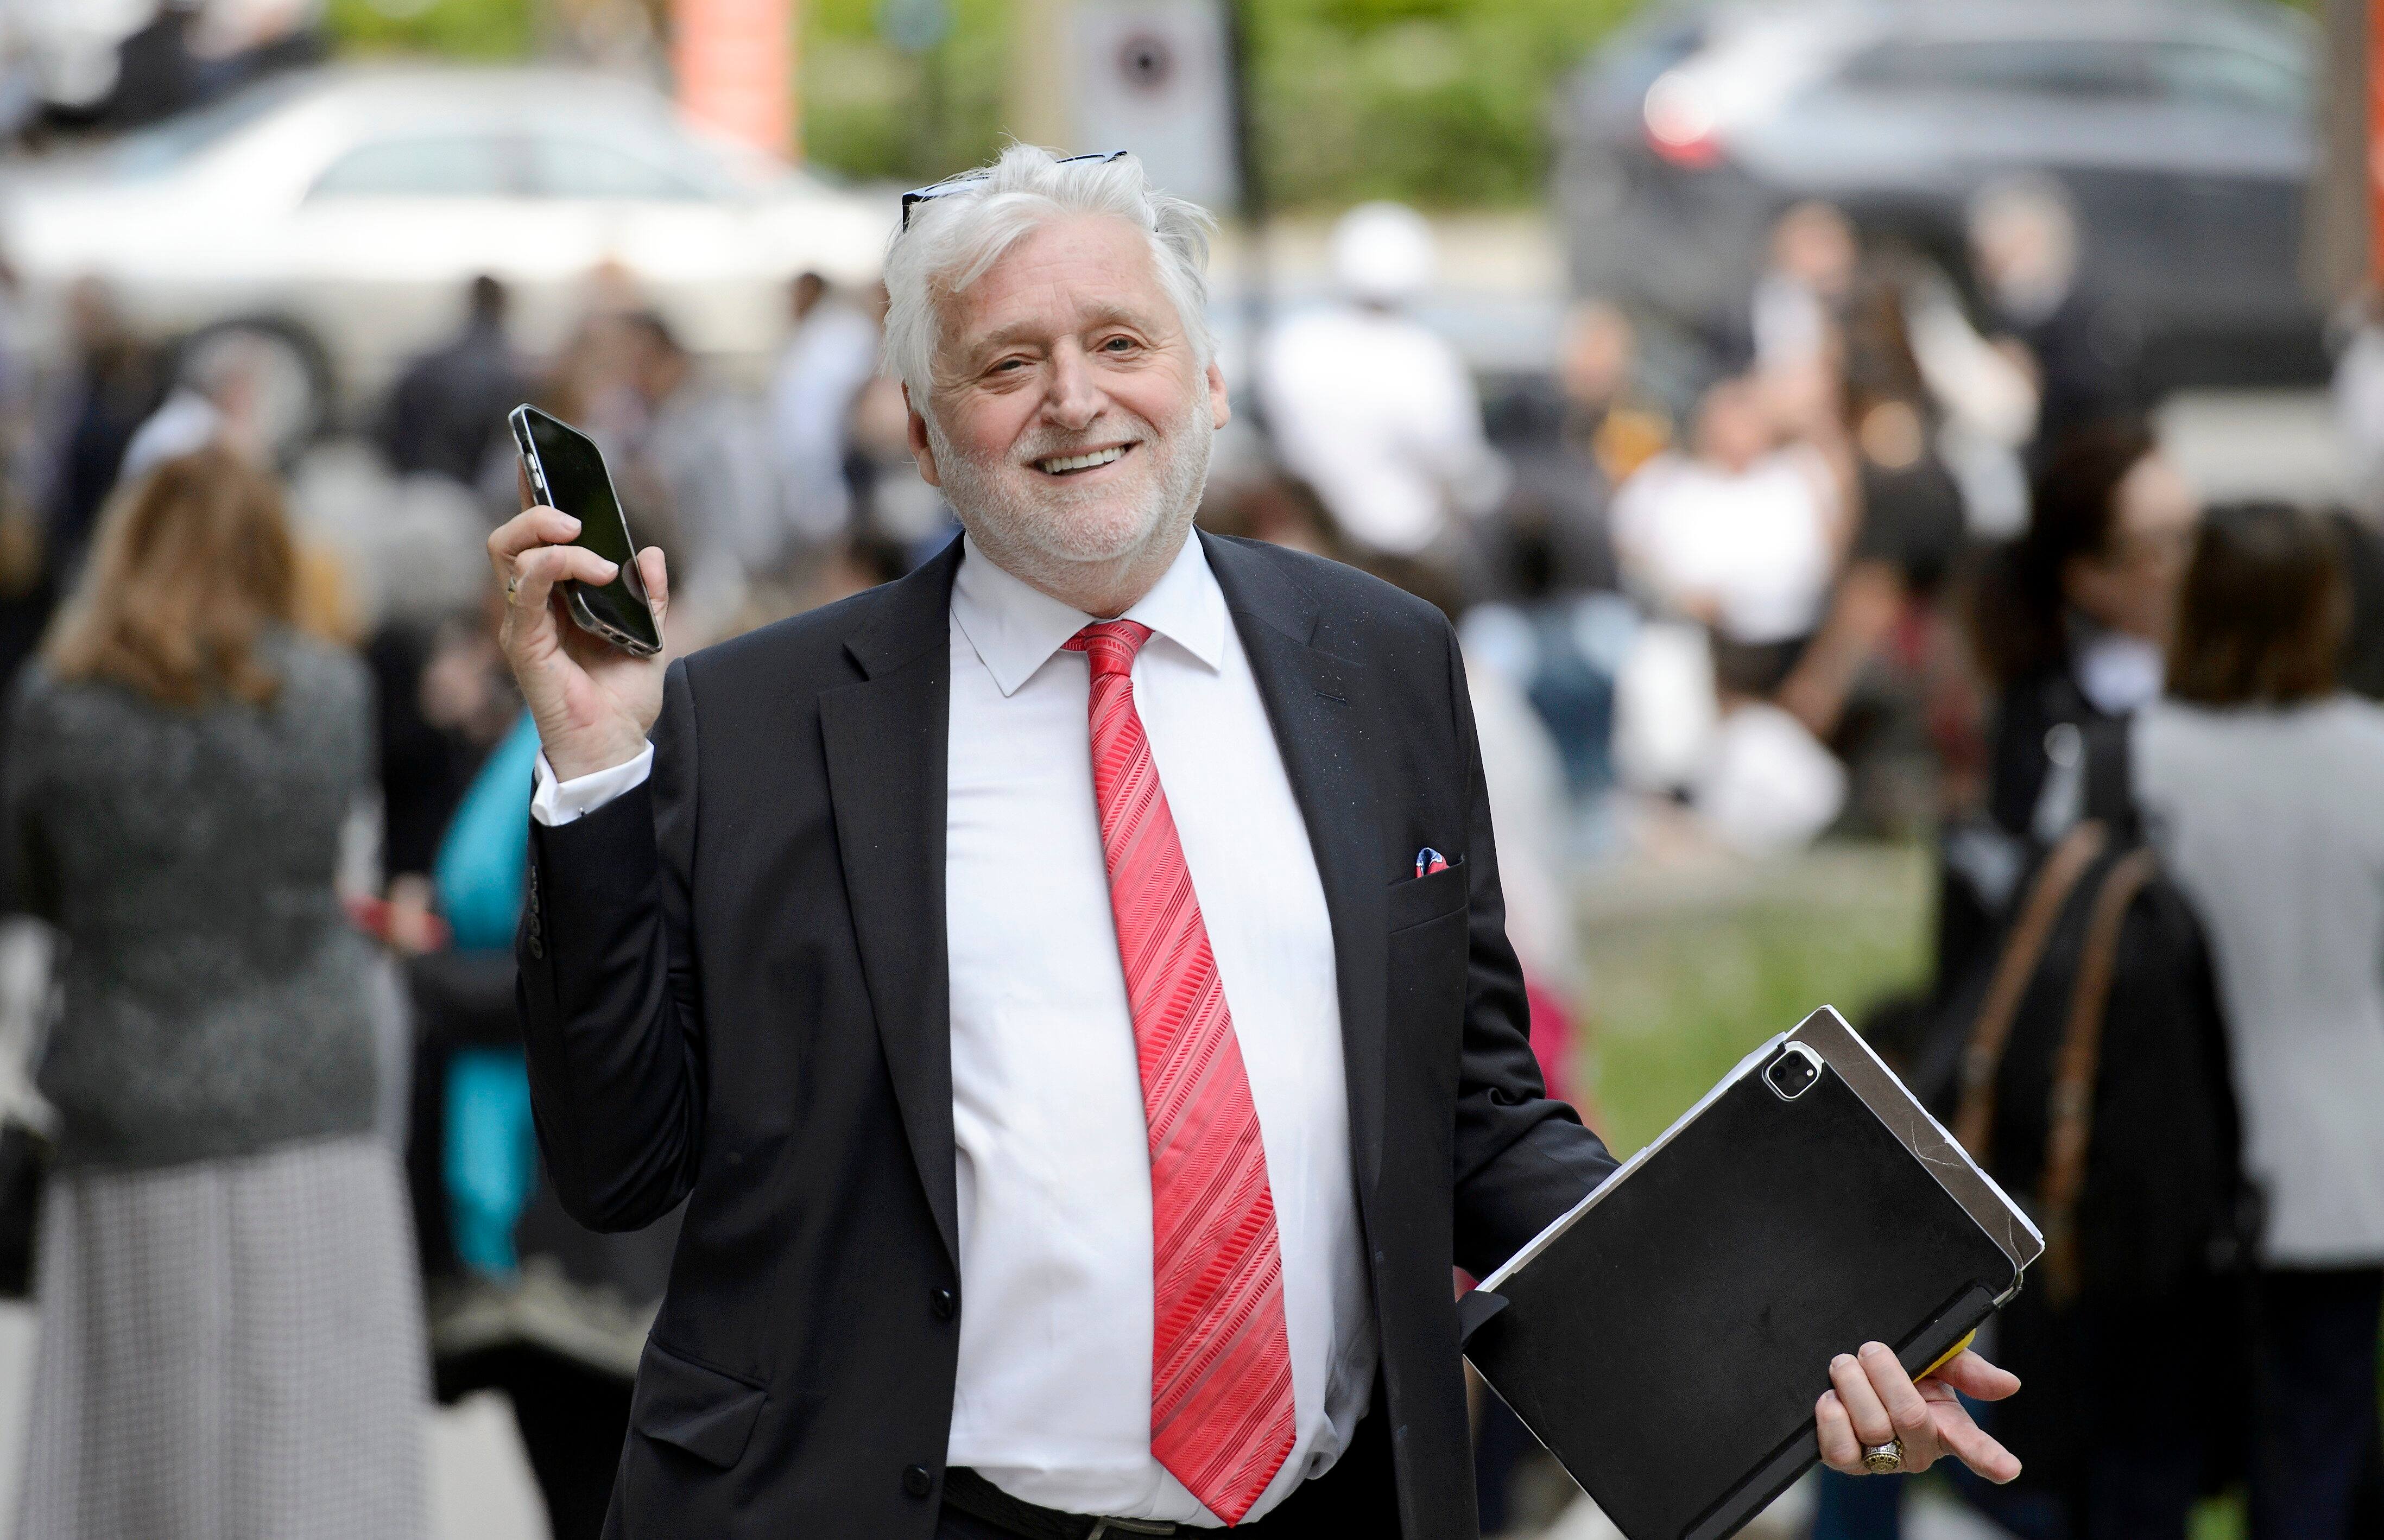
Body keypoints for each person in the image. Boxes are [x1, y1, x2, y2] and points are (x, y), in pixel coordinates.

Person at [486, 145, 2022, 1538]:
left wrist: (1785, 1326)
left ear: (1209, 381)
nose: (1072, 397)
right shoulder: (762, 719)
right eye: (1006, 361)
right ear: (922, 432)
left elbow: (1477, 1116)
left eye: (1119, 343)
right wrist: (597, 766)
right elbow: (621, 1164)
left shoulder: (1383, 664)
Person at [3, 446, 425, 1538]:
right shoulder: (327, 692)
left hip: (133, 1099)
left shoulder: (62, 706)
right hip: (310, 1090)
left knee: (137, 1458)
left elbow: (28, 882)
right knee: (315, 1446)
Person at [2133, 504, 2384, 1540]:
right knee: (2316, 1453)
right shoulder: (2370, 757)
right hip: (2344, 1159)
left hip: (2154, 1166)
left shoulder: (2124, 761)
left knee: (2145, 1456)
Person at [1969, 422, 2198, 842]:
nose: (2195, 563)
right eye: (2164, 543)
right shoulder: (2052, 713)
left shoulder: (2240, 681)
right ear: (2087, 577)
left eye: (2200, 533)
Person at [1258, 201, 1507, 585]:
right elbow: (1457, 464)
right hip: (1407, 555)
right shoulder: (1421, 356)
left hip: (1314, 539)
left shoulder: (1289, 343)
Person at [376, 274, 531, 488]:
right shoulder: (509, 371)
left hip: (413, 479)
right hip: (466, 486)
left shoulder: (429, 361)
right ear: (503, 306)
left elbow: (388, 424)